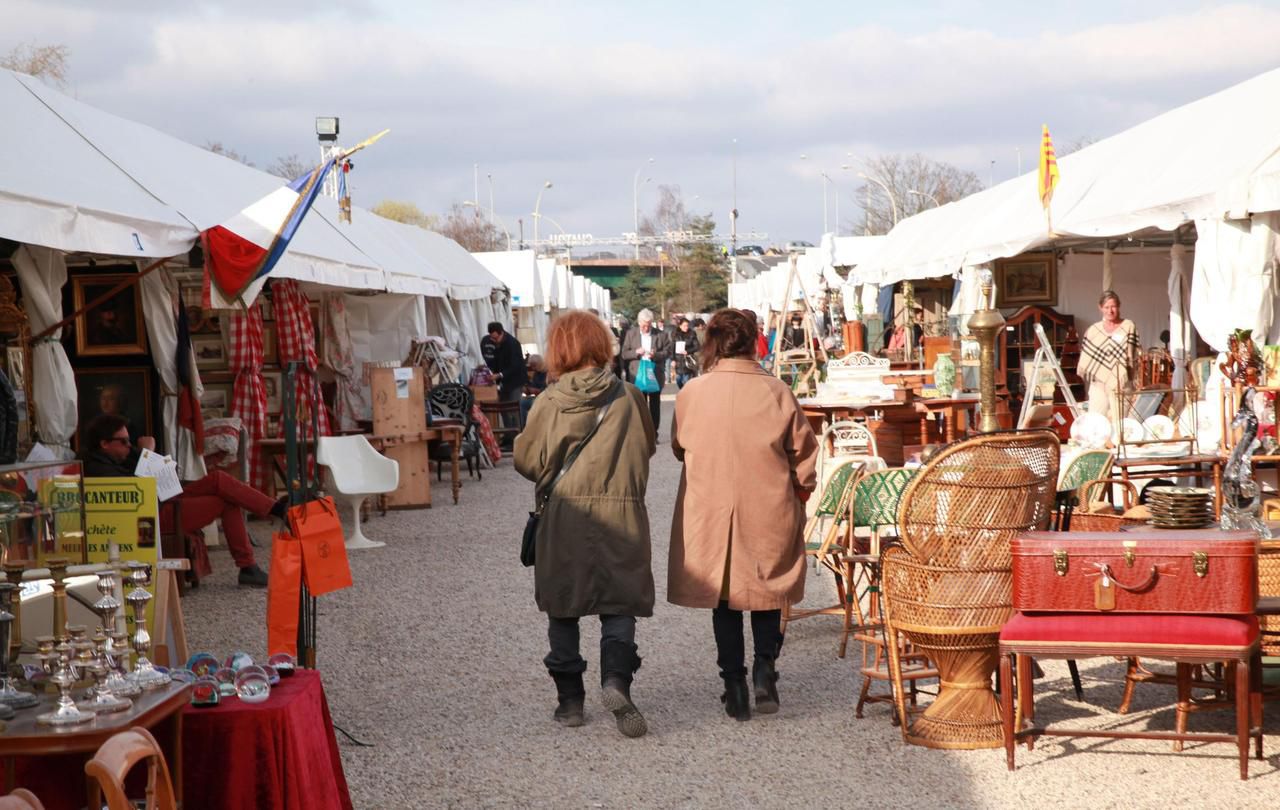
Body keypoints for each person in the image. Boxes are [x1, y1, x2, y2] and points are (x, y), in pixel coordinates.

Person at [668, 308, 820, 721]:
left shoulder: (691, 393)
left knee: (724, 598)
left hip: (711, 508)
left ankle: (733, 682)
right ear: (754, 340)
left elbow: (679, 447)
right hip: (769, 502)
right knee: (768, 590)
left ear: (713, 343)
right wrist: (802, 489)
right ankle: (764, 671)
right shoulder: (777, 392)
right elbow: (804, 454)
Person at [514, 310, 656, 738]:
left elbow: (527, 461)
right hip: (623, 512)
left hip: (565, 515)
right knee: (620, 602)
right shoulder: (628, 397)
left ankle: (570, 703)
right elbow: (646, 447)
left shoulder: (550, 402)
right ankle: (615, 680)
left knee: (563, 606)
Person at [81, 413, 282, 587]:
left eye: (129, 440)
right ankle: (248, 565)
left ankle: (276, 509)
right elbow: (136, 496)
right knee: (226, 502)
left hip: (162, 500)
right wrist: (148, 453)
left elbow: (156, 475)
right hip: (151, 518)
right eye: (123, 441)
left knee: (218, 480)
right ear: (105, 444)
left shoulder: (118, 457)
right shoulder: (97, 468)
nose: (129, 445)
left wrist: (152, 459)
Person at [1078, 290, 1140, 420]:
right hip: (1098, 384)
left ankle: (1118, 440)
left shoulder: (1128, 326)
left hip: (1122, 383)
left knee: (1121, 423)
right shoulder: (1094, 330)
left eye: (1113, 306)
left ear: (1119, 306)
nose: (1110, 311)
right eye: (1106, 307)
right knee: (1096, 422)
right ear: (1100, 308)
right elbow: (1086, 357)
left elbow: (1133, 354)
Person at [620, 309, 671, 431]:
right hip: (637, 374)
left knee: (654, 404)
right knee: (640, 404)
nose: (646, 328)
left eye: (648, 325)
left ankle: (654, 432)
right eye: (643, 326)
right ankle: (642, 431)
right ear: (639, 323)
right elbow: (624, 354)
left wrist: (656, 355)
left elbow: (668, 352)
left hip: (654, 373)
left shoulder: (661, 334)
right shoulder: (631, 334)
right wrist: (636, 352)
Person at [480, 322, 528, 406]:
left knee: (513, 408)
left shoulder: (512, 344)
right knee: (503, 407)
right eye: (492, 338)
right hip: (503, 382)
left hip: (515, 381)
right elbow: (495, 360)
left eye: (496, 338)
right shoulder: (493, 341)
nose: (494, 341)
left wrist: (500, 374)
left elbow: (515, 365)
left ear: (501, 333)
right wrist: (486, 368)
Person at [519, 354, 549, 428]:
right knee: (521, 402)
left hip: (546, 398)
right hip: (537, 397)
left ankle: (536, 428)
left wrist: (536, 391)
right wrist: (527, 390)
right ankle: (525, 427)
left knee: (534, 403)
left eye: (534, 366)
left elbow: (549, 389)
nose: (532, 368)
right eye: (532, 366)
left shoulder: (549, 373)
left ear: (540, 364)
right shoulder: (537, 373)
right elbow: (533, 386)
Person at [672, 317, 701, 389]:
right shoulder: (675, 334)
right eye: (684, 326)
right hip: (678, 361)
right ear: (680, 326)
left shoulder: (692, 334)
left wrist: (688, 351)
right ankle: (683, 392)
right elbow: (672, 347)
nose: (686, 327)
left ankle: (685, 394)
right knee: (678, 380)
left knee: (686, 381)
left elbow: (697, 346)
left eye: (687, 325)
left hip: (688, 362)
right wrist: (673, 359)